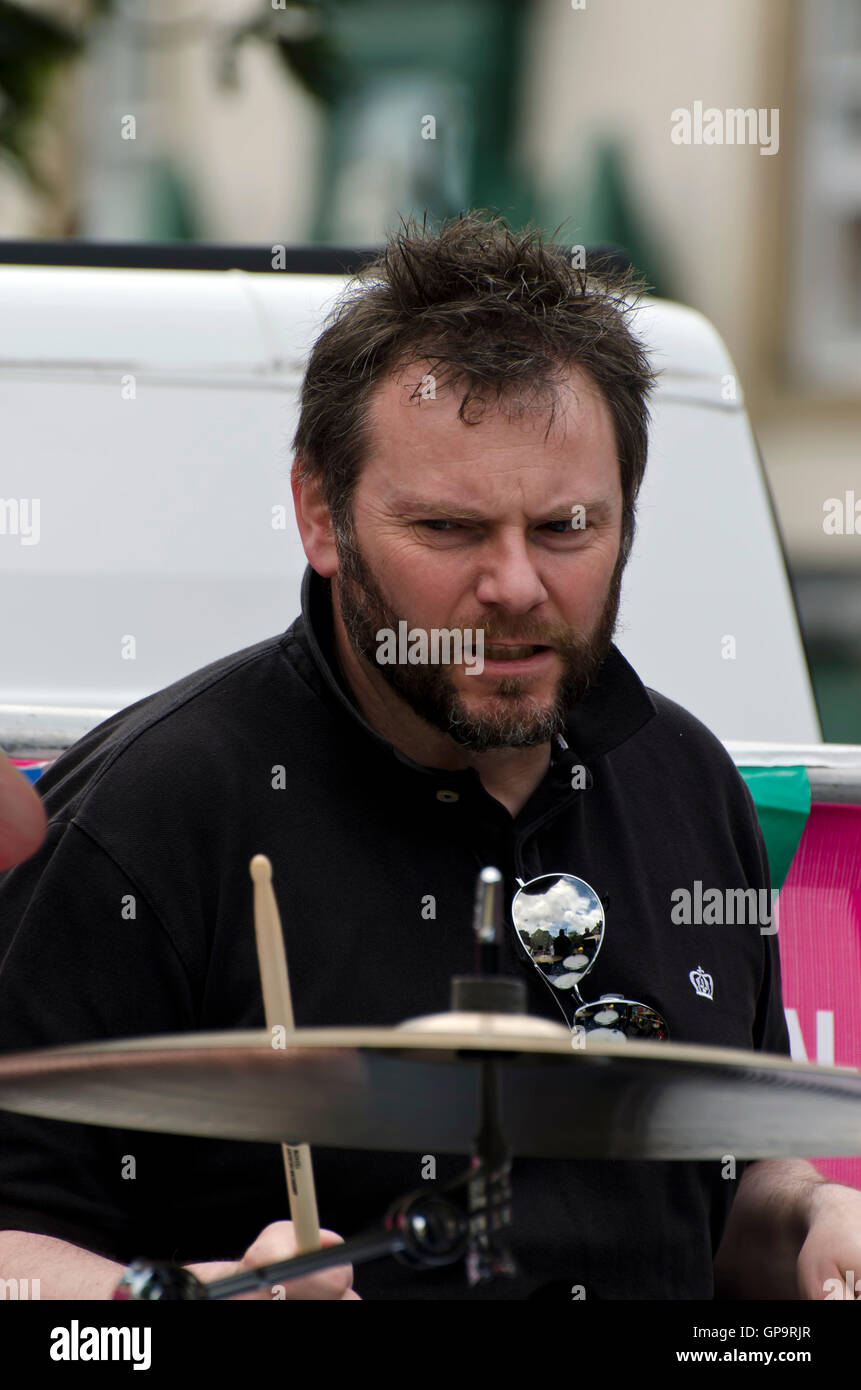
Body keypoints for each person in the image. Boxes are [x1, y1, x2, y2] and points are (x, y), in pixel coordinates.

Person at [1, 211, 860, 1302]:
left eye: (565, 528)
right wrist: (184, 1297)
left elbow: (719, 1189)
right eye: (450, 531)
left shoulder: (686, 782)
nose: (513, 586)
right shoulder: (153, 813)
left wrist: (811, 1219)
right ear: (322, 512)